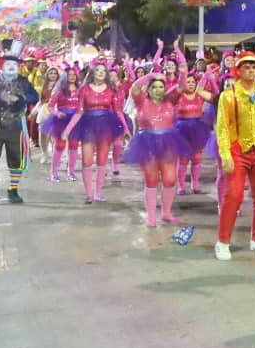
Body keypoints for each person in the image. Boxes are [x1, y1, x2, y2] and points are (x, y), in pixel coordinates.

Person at [212, 53, 255, 261]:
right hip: (238, 151)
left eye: (253, 67)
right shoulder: (228, 95)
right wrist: (225, 154)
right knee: (234, 195)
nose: (250, 70)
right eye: (246, 67)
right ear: (237, 71)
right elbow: (222, 127)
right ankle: (222, 242)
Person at [121, 71, 190, 228]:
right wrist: (150, 75)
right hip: (147, 143)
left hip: (168, 143)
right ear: (149, 89)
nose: (158, 89)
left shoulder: (170, 101)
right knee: (151, 181)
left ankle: (166, 212)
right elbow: (134, 87)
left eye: (161, 86)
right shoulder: (141, 101)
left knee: (170, 179)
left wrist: (182, 65)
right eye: (154, 87)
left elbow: (182, 85)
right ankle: (151, 217)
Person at [0, 57, 40, 205]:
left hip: (16, 126)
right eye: (8, 64)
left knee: (16, 159)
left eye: (14, 65)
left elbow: (34, 97)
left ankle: (13, 190)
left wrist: (19, 98)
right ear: (1, 66)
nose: (11, 67)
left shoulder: (24, 82)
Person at [62, 63, 125, 203]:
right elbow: (79, 112)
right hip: (88, 126)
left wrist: (125, 128)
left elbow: (118, 111)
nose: (101, 73)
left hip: (106, 127)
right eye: (98, 70)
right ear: (92, 73)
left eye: (104, 71)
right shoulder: (84, 90)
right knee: (87, 160)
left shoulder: (111, 90)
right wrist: (68, 129)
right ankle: (88, 194)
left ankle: (97, 193)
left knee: (102, 160)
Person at [173, 70, 217, 196]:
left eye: (193, 82)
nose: (191, 84)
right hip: (181, 130)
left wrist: (208, 77)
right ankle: (180, 186)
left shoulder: (200, 96)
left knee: (197, 159)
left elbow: (216, 97)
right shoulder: (178, 96)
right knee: (183, 160)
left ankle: (195, 185)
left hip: (197, 130)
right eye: (188, 82)